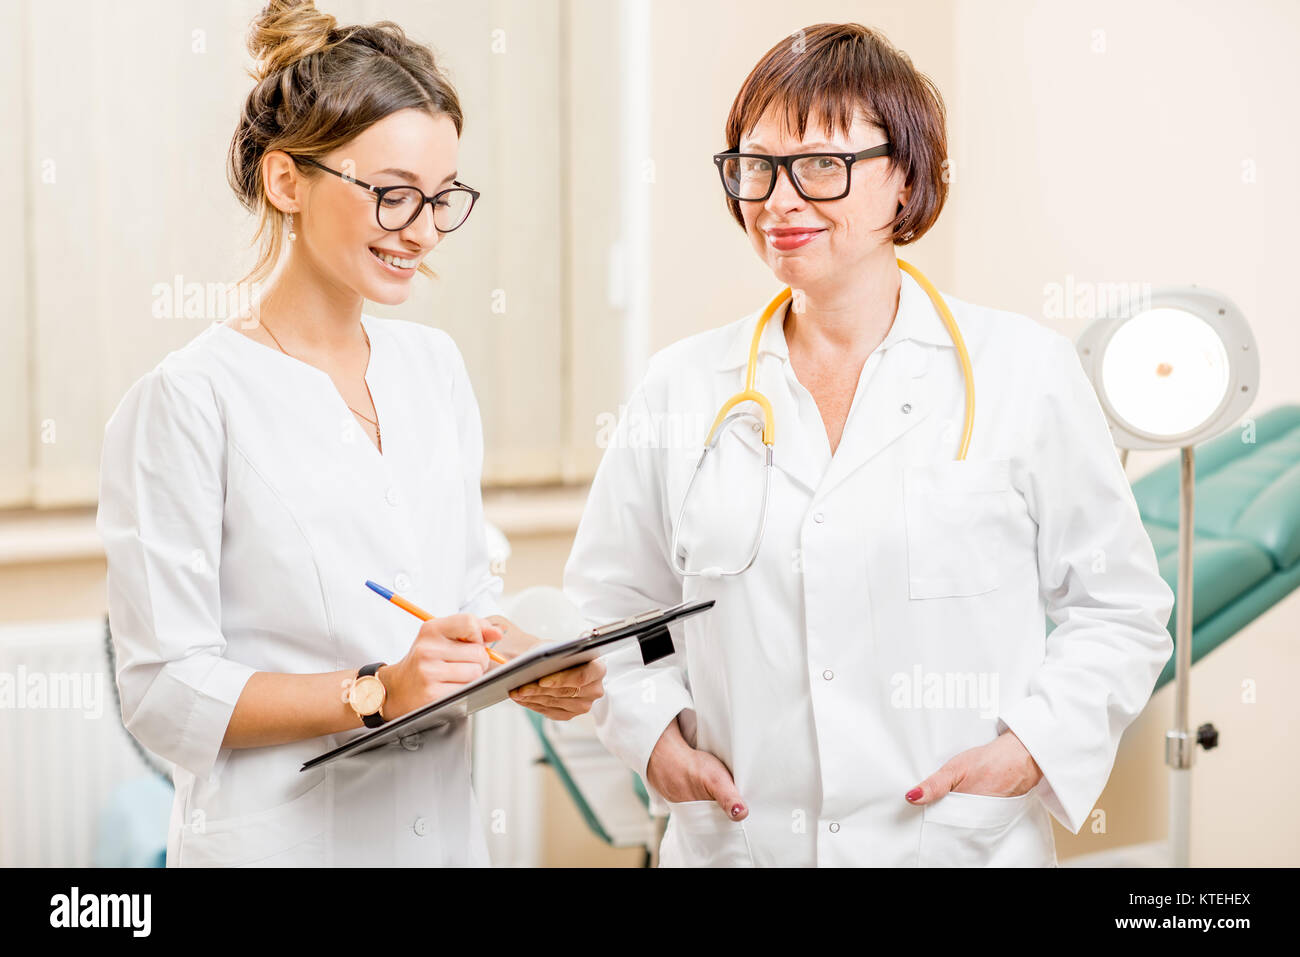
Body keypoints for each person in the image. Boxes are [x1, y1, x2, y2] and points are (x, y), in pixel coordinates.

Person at [563, 22, 1174, 866]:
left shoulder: (1024, 373)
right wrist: (655, 737)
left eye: (822, 165)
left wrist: (1029, 750)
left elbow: (1120, 610)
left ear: (906, 180)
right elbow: (610, 610)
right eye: (755, 166)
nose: (778, 200)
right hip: (740, 844)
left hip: (952, 844)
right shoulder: (681, 386)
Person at [96, 0, 603, 867]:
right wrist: (375, 691)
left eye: (442, 198)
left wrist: (521, 661)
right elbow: (163, 689)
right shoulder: (189, 400)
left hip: (438, 839)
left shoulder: (433, 369)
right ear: (287, 180)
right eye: (393, 195)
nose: (424, 230)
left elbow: (453, 599)